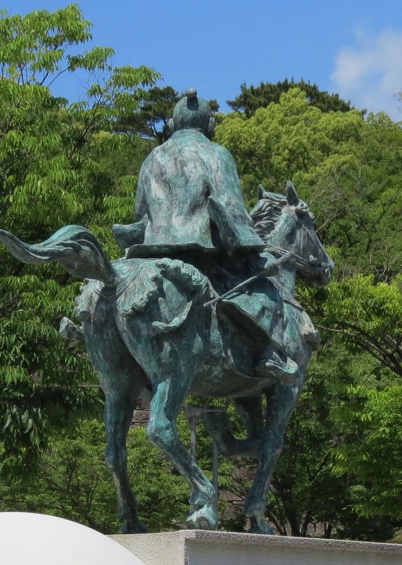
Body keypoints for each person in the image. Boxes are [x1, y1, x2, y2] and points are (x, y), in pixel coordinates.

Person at [113, 89, 301, 382]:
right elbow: (230, 209)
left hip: (151, 249)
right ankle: (268, 353)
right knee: (265, 290)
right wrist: (252, 248)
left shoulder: (152, 157)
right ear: (210, 124)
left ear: (173, 125)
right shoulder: (217, 154)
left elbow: (141, 213)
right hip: (199, 251)